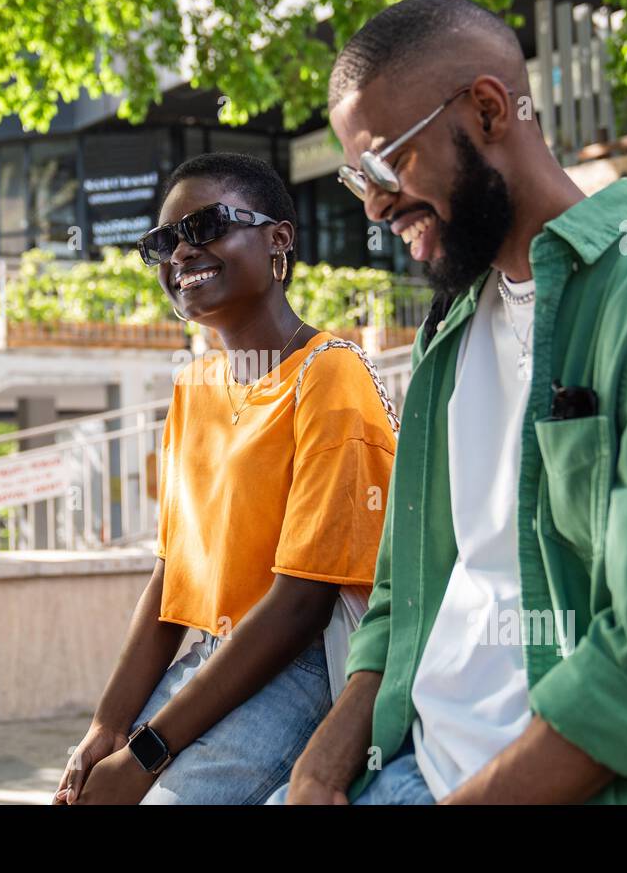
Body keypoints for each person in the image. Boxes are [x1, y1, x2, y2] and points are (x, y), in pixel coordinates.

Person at [273, 0, 627, 805]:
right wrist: (326, 758)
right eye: (357, 179)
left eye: (386, 166)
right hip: (415, 770)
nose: (374, 206)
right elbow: (405, 591)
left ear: (490, 109)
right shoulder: (449, 335)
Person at [58, 153, 397, 805]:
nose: (181, 253)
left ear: (278, 239)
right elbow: (171, 574)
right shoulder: (196, 388)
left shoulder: (328, 376)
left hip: (304, 665)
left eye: (206, 226)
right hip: (217, 656)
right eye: (163, 241)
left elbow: (302, 604)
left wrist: (147, 751)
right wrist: (106, 726)